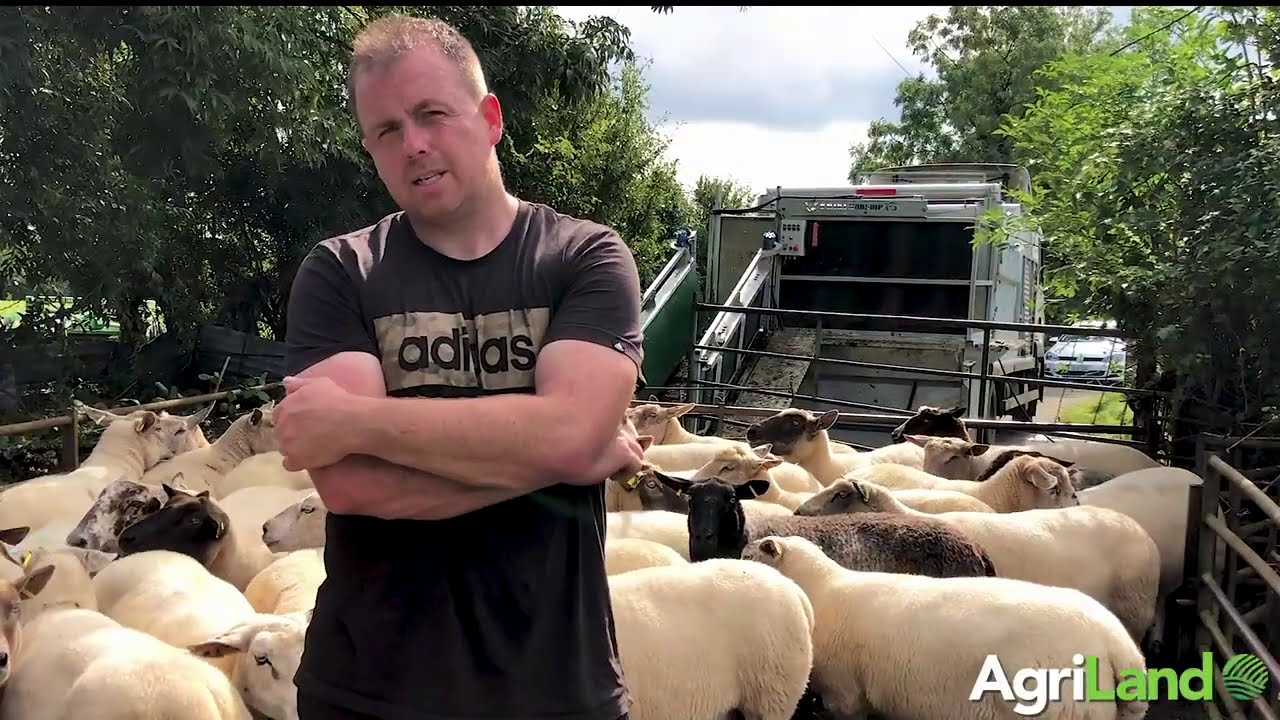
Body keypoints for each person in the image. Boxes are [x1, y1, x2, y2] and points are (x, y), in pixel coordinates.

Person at [272, 13, 647, 720]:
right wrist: (564, 455)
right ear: (371, 149)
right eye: (386, 130)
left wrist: (355, 419)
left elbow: (567, 433)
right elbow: (352, 484)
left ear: (490, 117)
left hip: (557, 689)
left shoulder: (585, 259)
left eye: (431, 114)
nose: (413, 143)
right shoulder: (340, 272)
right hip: (367, 692)